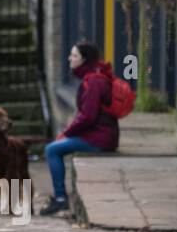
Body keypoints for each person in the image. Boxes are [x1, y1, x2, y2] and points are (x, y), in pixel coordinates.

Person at [40, 40, 119, 217]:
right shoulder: (92, 77)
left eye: (74, 55)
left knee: (52, 150)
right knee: (55, 147)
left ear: (84, 59)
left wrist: (66, 133)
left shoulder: (93, 81)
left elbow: (88, 116)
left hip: (100, 138)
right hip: (99, 134)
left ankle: (60, 199)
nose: (70, 58)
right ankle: (60, 197)